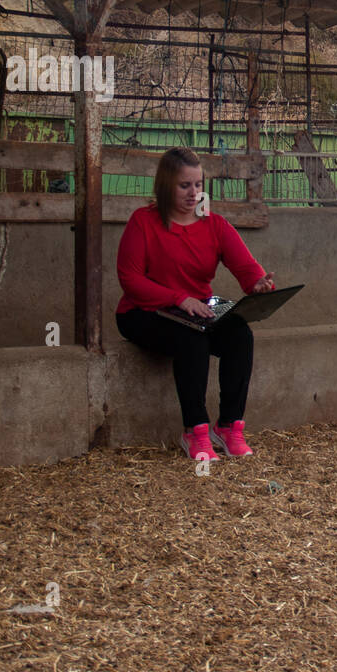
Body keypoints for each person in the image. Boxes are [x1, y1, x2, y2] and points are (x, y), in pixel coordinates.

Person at [115, 146, 275, 462]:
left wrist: (258, 283)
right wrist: (179, 298)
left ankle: (228, 427)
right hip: (143, 311)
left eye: (199, 184)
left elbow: (245, 267)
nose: (194, 193)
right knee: (193, 339)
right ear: (165, 186)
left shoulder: (213, 224)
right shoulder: (143, 222)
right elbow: (129, 279)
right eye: (184, 185)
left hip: (197, 310)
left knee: (240, 335)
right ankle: (195, 431)